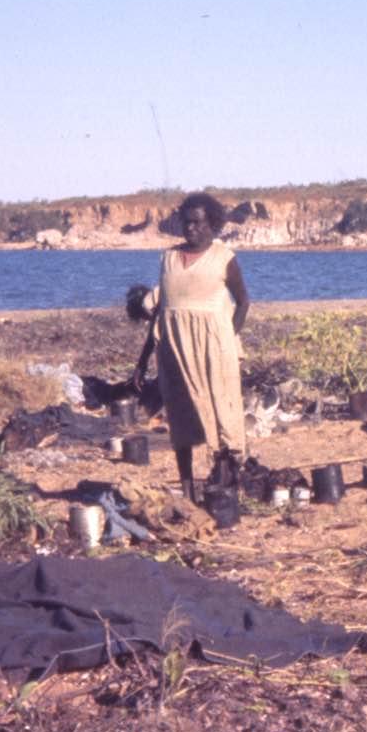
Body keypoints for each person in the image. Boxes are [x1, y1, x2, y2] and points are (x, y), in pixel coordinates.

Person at [132, 192, 251, 502]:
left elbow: (243, 301)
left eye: (198, 223)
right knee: (181, 418)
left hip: (215, 351)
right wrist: (143, 360)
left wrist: (227, 337)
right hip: (174, 352)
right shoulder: (168, 258)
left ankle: (225, 486)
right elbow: (160, 311)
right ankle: (187, 492)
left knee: (221, 415)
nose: (191, 229)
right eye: (187, 223)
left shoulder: (223, 257)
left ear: (212, 225)